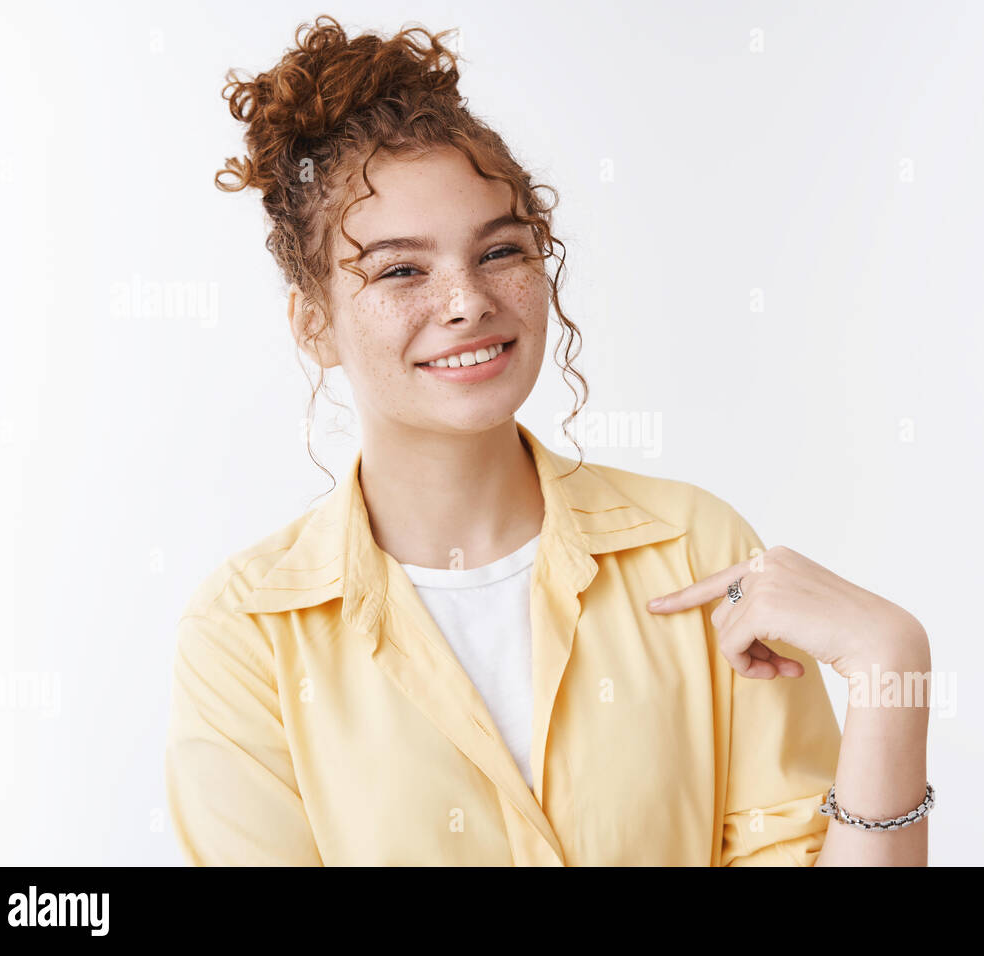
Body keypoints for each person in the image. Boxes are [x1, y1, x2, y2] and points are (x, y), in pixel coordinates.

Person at [164, 15, 932, 866]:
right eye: (401, 269)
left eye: (500, 252)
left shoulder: (698, 554)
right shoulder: (247, 633)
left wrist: (891, 668)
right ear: (315, 324)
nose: (467, 301)